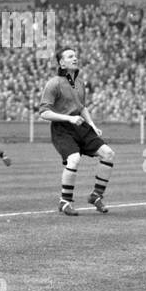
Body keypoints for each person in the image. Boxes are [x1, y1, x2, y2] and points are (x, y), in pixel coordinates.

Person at [37, 46, 113, 215]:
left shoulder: (79, 83)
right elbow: (44, 113)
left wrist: (92, 125)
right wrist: (69, 118)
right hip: (62, 129)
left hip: (80, 126)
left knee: (108, 154)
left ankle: (96, 196)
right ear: (62, 63)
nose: (75, 58)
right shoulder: (54, 83)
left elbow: (82, 107)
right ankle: (64, 202)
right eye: (70, 56)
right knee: (74, 159)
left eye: (75, 56)